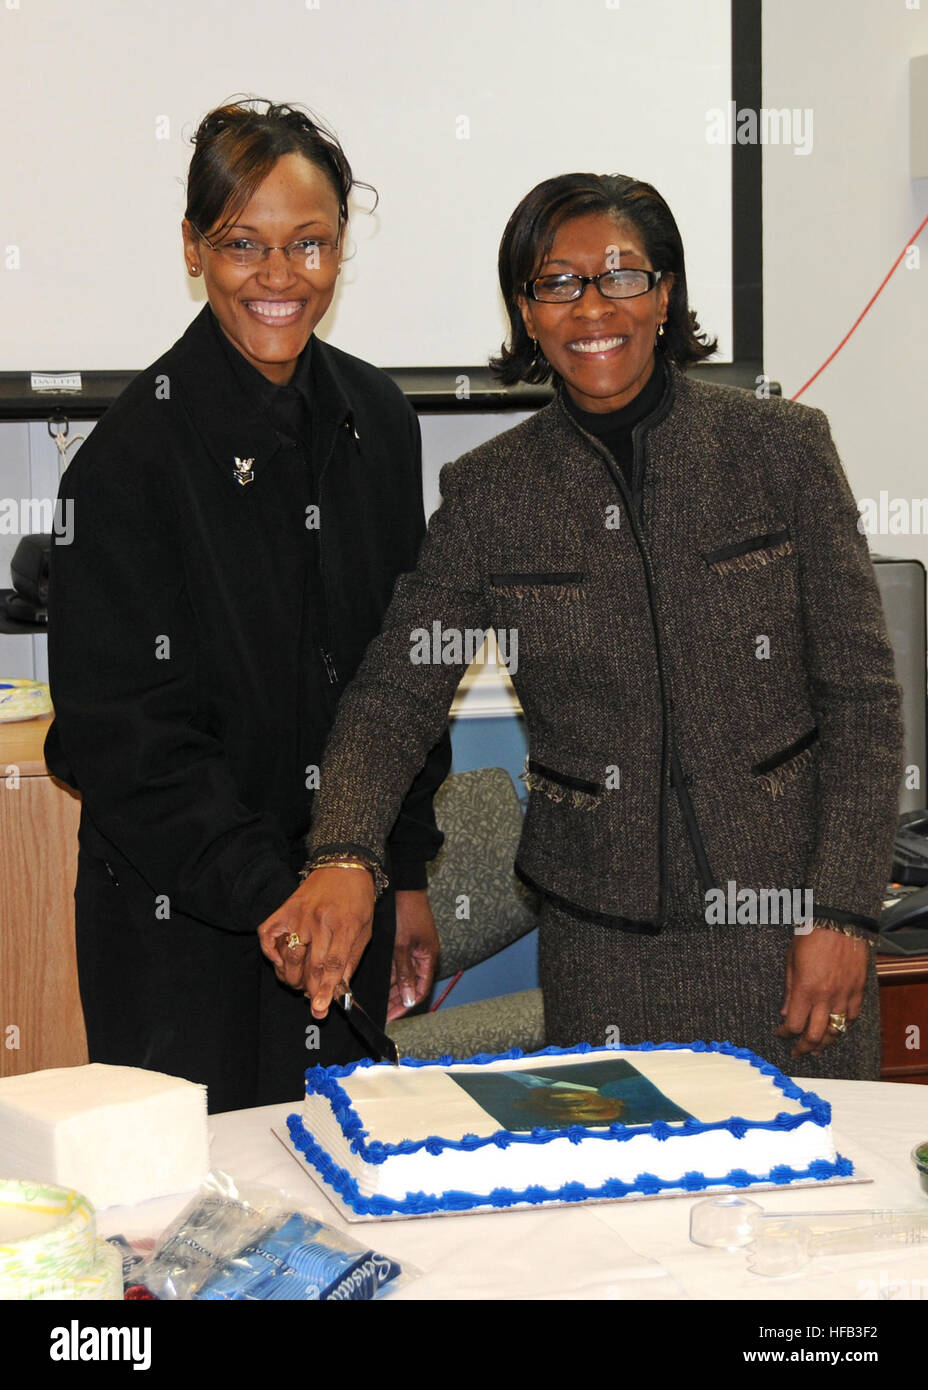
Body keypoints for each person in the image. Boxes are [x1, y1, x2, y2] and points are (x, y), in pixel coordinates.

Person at [259, 172, 904, 1083]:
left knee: (813, 1205)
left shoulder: (781, 451)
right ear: (527, 312)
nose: (591, 307)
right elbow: (393, 697)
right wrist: (344, 850)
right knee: (624, 1217)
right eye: (557, 283)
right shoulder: (494, 492)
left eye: (621, 275)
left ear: (666, 293)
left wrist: (842, 916)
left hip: (791, 934)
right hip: (604, 954)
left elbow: (863, 702)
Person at [45, 99, 450, 1112]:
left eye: (308, 243)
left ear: (340, 248)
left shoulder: (381, 422)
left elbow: (401, 676)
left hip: (343, 901)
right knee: (194, 1239)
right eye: (243, 245)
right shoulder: (127, 463)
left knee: (342, 1211)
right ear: (194, 248)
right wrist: (281, 898)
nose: (279, 275)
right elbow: (131, 743)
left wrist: (395, 874)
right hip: (189, 926)